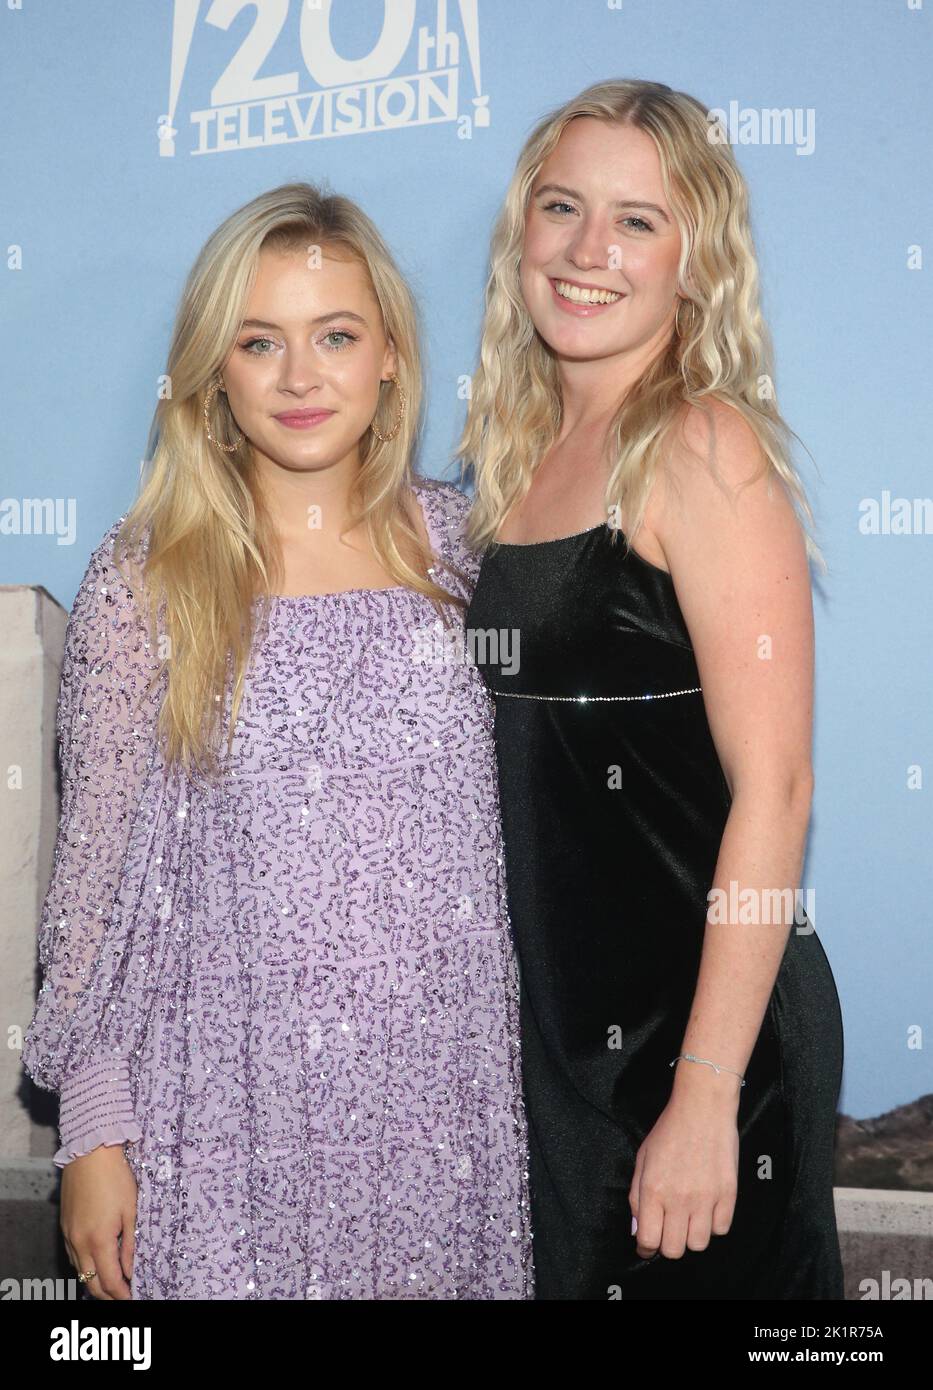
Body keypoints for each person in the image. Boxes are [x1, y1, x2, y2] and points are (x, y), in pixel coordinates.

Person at [20, 182, 533, 1301]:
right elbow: (93, 885)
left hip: (435, 1128)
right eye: (261, 342)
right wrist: (93, 1133)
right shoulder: (148, 577)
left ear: (390, 353)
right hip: (217, 1123)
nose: (301, 378)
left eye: (336, 336)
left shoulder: (471, 556)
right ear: (214, 371)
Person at [460, 79, 845, 1300]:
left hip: (699, 1039)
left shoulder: (703, 445)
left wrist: (705, 1091)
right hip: (569, 1036)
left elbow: (776, 790)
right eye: (563, 207)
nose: (588, 251)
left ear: (695, 259)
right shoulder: (512, 465)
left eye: (636, 220)